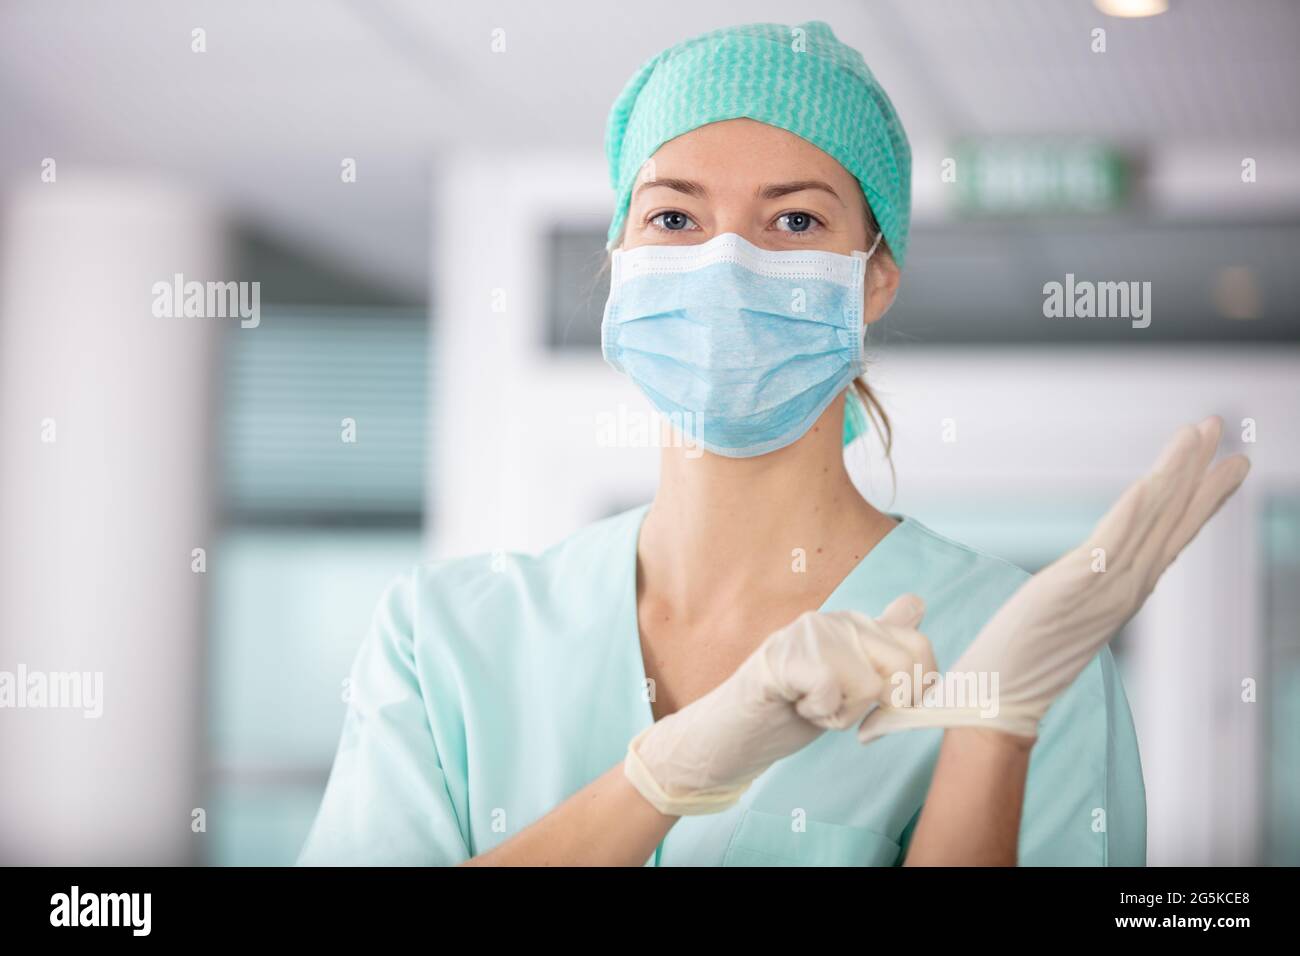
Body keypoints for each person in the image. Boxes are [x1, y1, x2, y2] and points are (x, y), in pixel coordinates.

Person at [297, 21, 1249, 866]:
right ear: (622, 263)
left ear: (873, 282)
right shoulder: (446, 639)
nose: (725, 260)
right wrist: (661, 777)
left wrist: (989, 739)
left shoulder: (1020, 648)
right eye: (674, 216)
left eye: (795, 221)